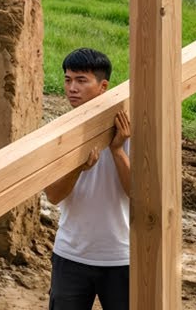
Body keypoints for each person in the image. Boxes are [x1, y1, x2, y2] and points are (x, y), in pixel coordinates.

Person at [43, 48, 132, 310]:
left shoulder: (127, 132)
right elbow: (54, 196)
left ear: (103, 86)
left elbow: (137, 194)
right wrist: (77, 167)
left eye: (81, 80)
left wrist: (116, 150)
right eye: (68, 79)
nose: (72, 88)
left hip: (120, 257)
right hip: (71, 255)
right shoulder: (57, 134)